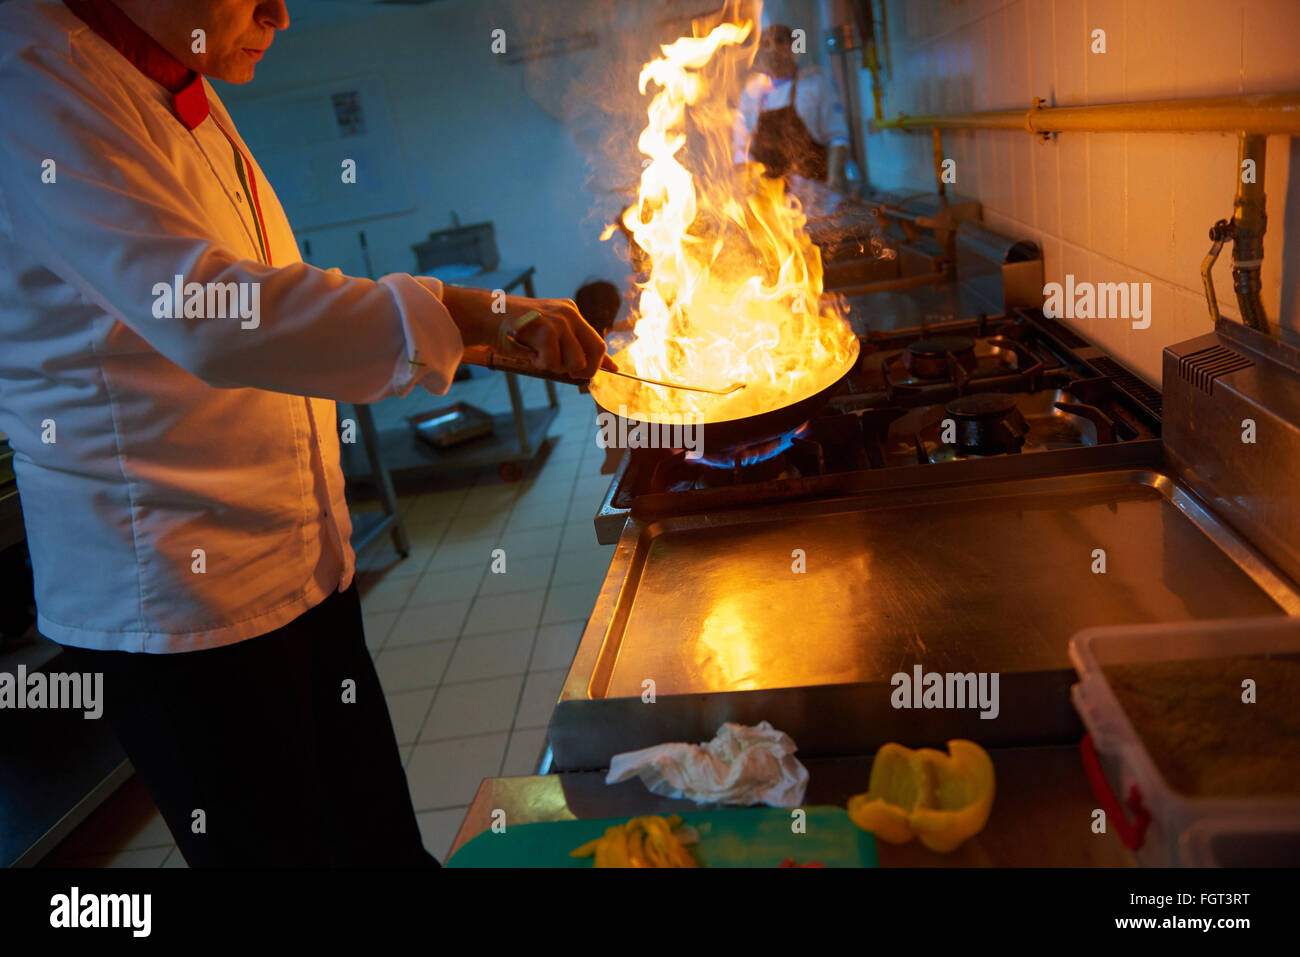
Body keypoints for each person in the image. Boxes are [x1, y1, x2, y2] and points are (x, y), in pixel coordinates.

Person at [0, 0, 609, 867]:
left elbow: (269, 285)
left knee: (384, 850)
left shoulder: (171, 75)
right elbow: (209, 311)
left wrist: (465, 317)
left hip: (297, 571)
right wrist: (459, 314)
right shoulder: (31, 77)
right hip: (186, 610)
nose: (283, 14)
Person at [733, 23, 852, 193]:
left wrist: (833, 180)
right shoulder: (752, 91)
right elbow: (741, 147)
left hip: (813, 196)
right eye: (766, 44)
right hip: (767, 199)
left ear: (792, 46)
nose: (773, 49)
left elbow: (838, 138)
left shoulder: (815, 83)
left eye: (780, 41)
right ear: (759, 51)